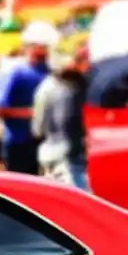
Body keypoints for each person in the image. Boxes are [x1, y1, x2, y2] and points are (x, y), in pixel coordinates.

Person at [0, 22, 57, 174]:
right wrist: (33, 113)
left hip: (41, 143)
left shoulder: (50, 74)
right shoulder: (17, 73)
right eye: (37, 46)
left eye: (45, 46)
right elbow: (0, 110)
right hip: (18, 143)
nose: (41, 50)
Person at [33, 61, 89, 190]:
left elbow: (38, 129)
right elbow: (67, 123)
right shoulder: (71, 91)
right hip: (67, 155)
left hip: (49, 150)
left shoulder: (45, 88)